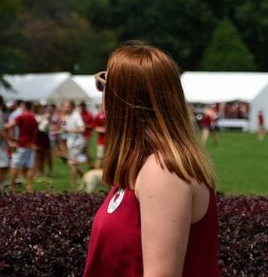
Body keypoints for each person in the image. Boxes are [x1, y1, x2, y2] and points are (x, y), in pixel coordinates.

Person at [83, 42, 219, 276]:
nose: (100, 93)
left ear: (125, 97)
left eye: (104, 83)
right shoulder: (142, 168)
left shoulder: (162, 172)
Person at [6, 100, 38, 192]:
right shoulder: (33, 118)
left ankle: (12, 186)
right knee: (30, 167)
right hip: (31, 145)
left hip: (22, 144)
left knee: (15, 165)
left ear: (24, 107)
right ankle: (29, 187)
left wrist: (4, 129)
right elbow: (36, 131)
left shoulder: (21, 117)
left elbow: (10, 125)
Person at [62, 100, 88, 188]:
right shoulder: (67, 116)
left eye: (66, 106)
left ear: (71, 107)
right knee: (74, 163)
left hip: (77, 143)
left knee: (72, 163)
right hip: (72, 143)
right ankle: (86, 177)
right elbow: (64, 127)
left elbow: (82, 129)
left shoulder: (76, 116)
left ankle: (73, 184)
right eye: (64, 106)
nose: (64, 108)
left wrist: (68, 130)